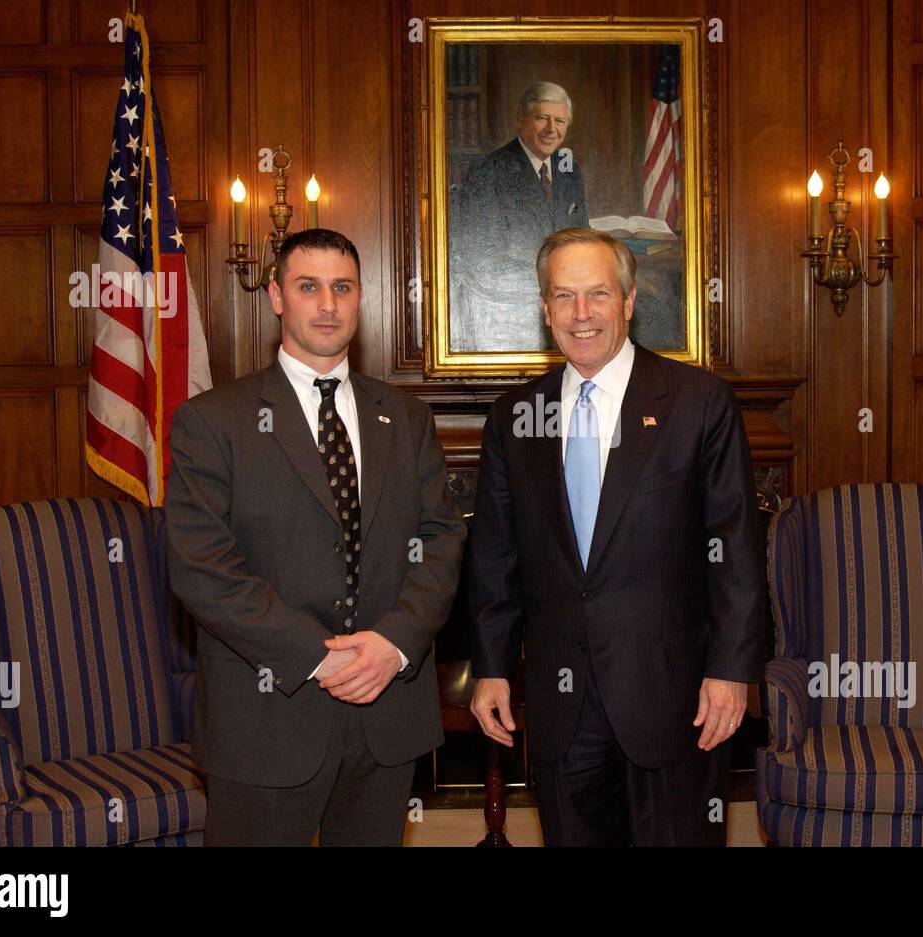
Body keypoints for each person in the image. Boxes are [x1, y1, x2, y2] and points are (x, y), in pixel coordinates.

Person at [166, 228, 466, 846]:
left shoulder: (405, 418)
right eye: (309, 287)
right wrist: (317, 655)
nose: (327, 304)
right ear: (276, 296)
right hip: (265, 717)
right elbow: (202, 567)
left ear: (361, 299)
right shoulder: (212, 421)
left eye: (343, 288)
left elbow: (440, 540)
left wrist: (394, 642)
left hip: (387, 707)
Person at [467, 227, 765, 846]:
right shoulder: (514, 417)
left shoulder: (698, 401)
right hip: (560, 703)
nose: (582, 314)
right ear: (545, 309)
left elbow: (734, 550)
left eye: (598, 294)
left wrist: (731, 671)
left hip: (676, 700)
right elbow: (496, 558)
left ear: (628, 302)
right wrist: (492, 670)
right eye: (564, 296)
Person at [451, 81, 589, 351]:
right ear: (520, 119)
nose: (552, 130)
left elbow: (582, 238)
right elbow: (482, 260)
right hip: (506, 312)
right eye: (542, 118)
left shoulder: (568, 168)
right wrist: (555, 286)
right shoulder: (487, 172)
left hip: (566, 309)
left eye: (560, 121)